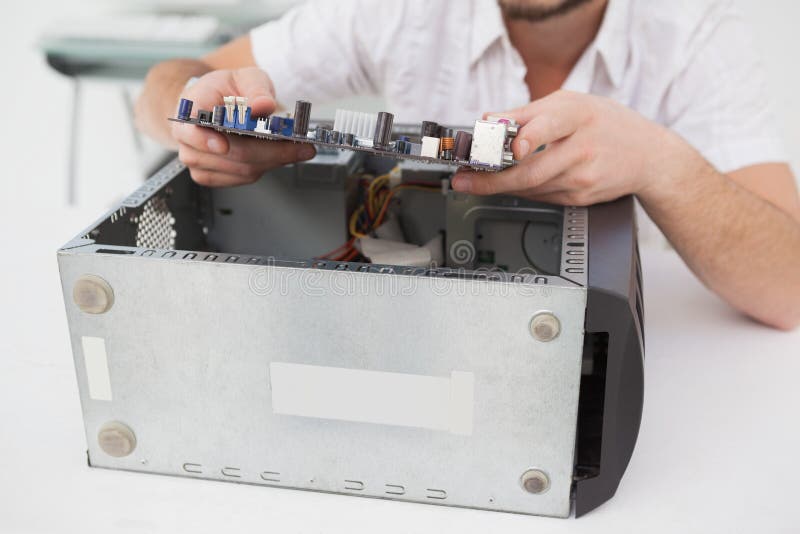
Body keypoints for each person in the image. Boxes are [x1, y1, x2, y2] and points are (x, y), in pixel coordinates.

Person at [135, 0, 800, 330]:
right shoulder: (400, 11)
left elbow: (788, 289)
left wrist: (660, 162)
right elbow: (173, 79)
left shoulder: (696, 30)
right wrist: (193, 110)